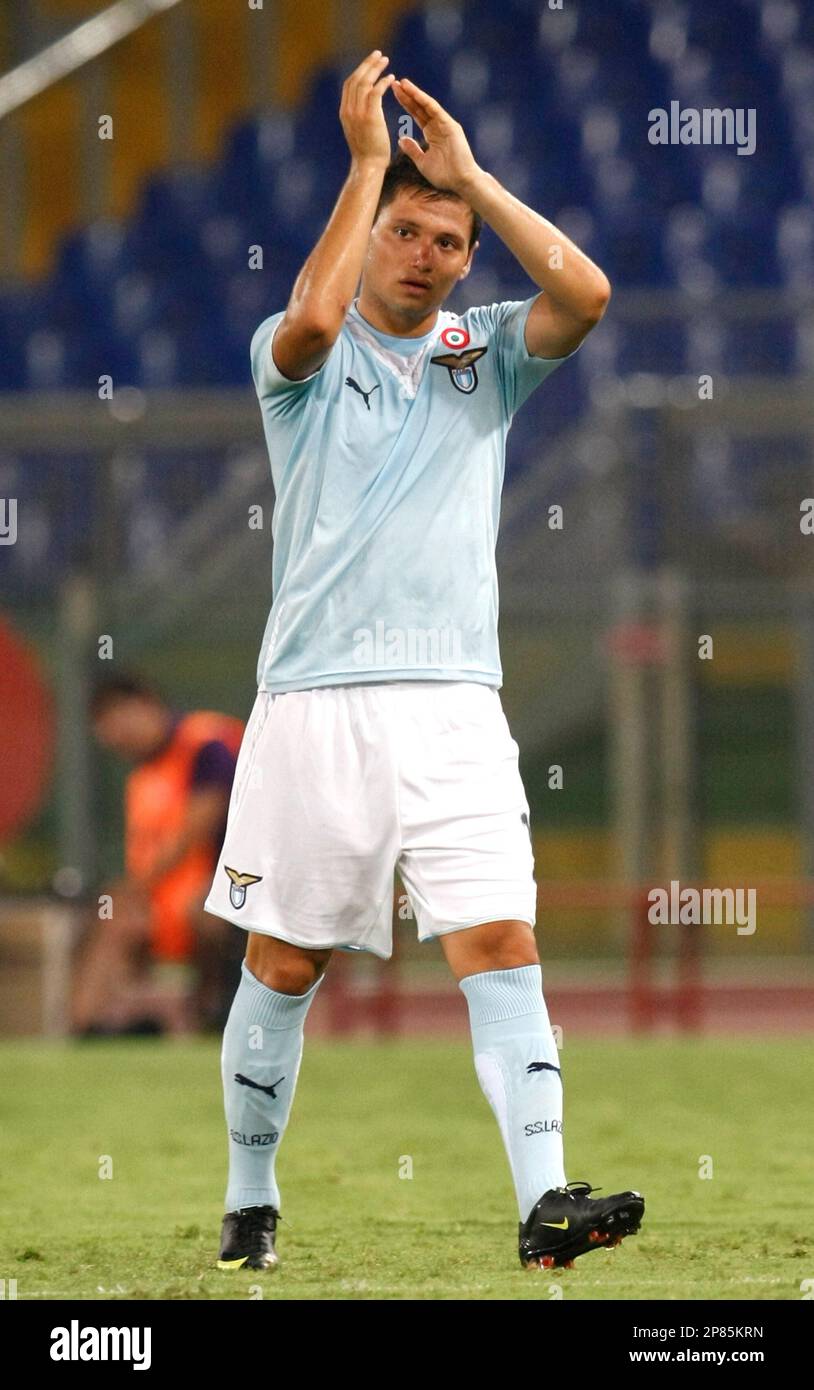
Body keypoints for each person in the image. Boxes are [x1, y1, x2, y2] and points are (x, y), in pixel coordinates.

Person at [204, 51, 645, 1273]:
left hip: (456, 702)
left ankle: (546, 1202)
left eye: (445, 242)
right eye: (407, 231)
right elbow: (304, 317)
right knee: (284, 963)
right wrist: (364, 165)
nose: (425, 255)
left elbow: (590, 294)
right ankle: (251, 1199)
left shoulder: (485, 353)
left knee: (500, 939)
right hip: (315, 703)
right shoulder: (300, 357)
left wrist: (476, 181)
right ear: (372, 232)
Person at [72, 673, 245, 1036]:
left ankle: (215, 1014)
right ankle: (92, 1028)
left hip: (238, 882)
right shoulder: (144, 774)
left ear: (145, 703)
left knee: (207, 913)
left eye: (117, 722)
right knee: (111, 917)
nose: (115, 738)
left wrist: (137, 887)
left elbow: (200, 824)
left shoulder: (206, 744)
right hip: (168, 896)